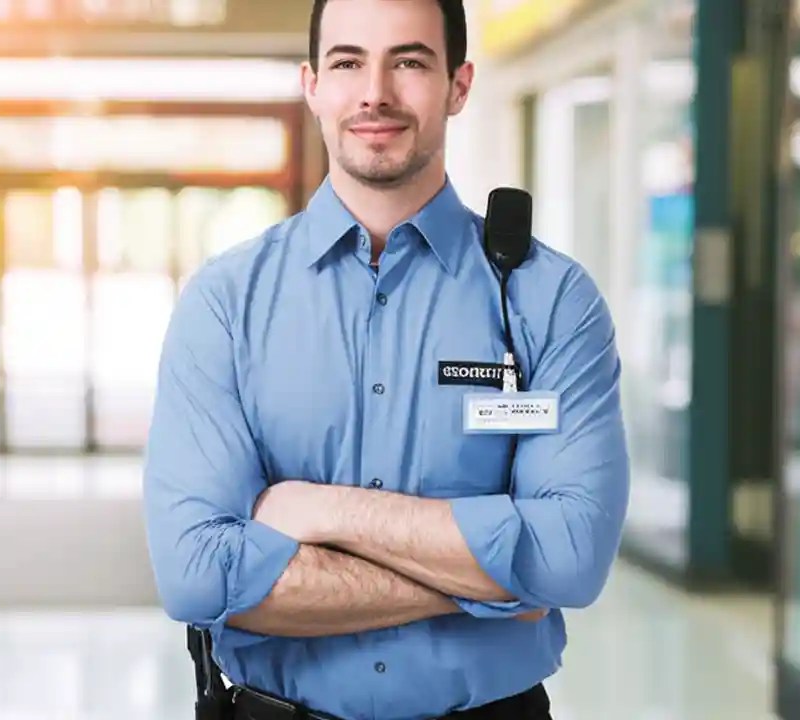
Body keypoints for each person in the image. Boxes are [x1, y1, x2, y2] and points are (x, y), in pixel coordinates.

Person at [141, 0, 630, 718]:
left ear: (459, 85)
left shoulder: (550, 300)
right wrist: (492, 584)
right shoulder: (226, 304)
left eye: (409, 60)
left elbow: (568, 559)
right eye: (347, 62)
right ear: (312, 84)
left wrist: (317, 510)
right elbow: (197, 576)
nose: (375, 92)